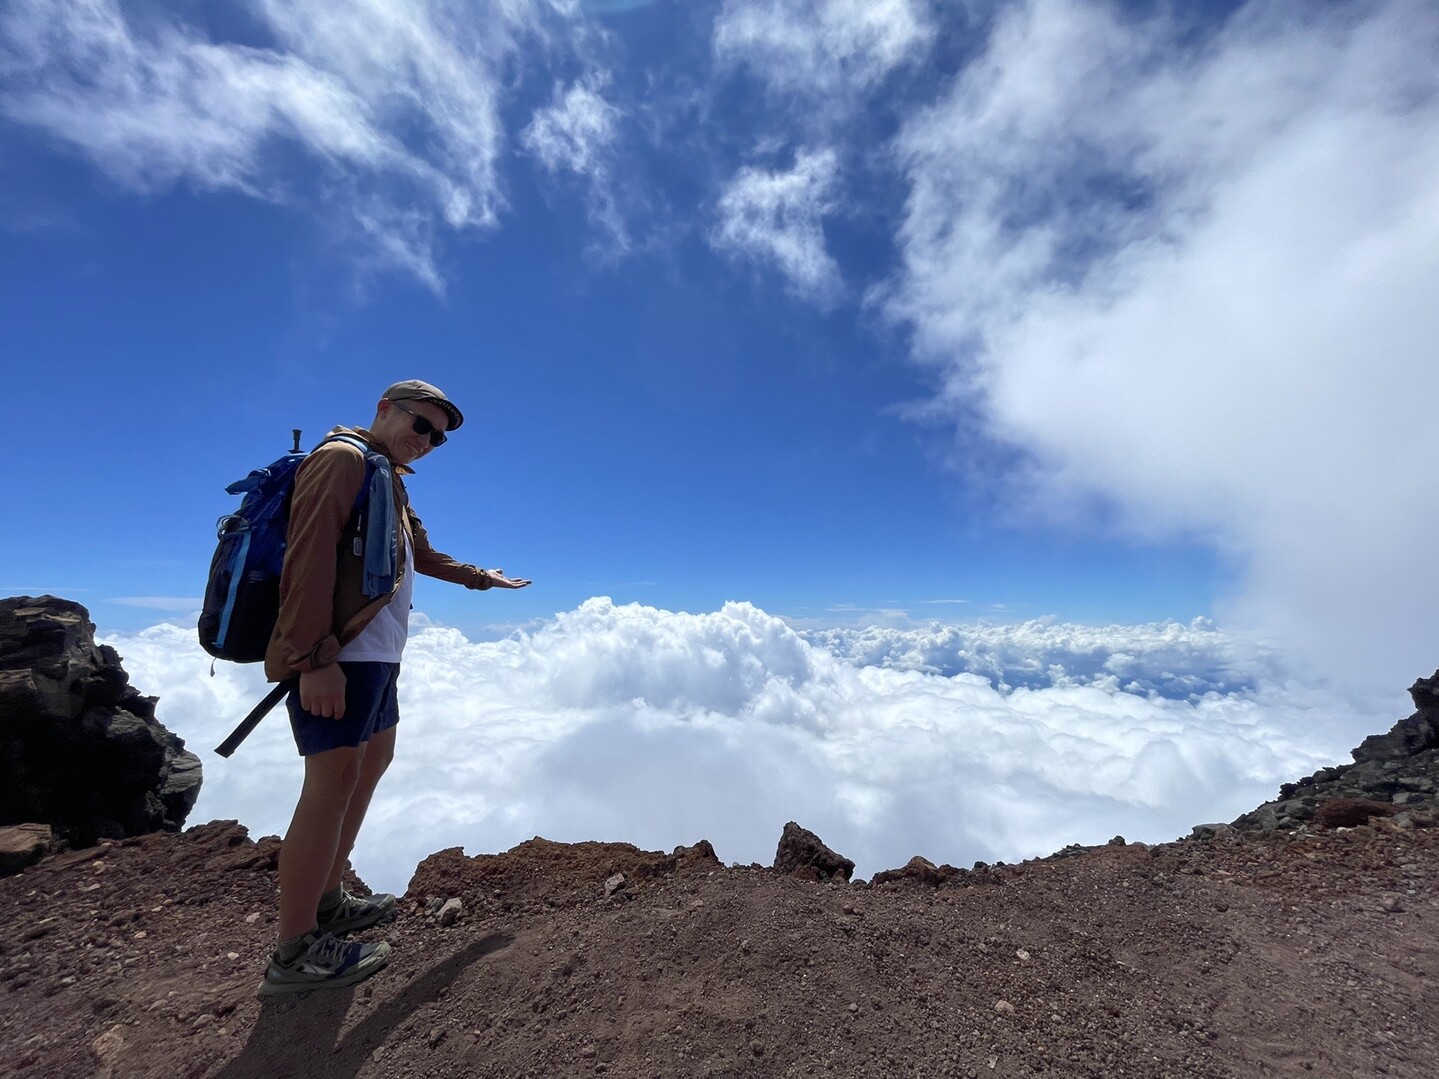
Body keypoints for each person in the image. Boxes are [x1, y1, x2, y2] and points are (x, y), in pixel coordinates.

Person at [257, 379, 529, 996]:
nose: (427, 439)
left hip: (378, 656)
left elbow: (422, 556)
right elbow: (309, 558)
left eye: (438, 435)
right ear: (384, 408)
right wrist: (313, 658)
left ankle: (328, 900)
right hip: (339, 656)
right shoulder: (343, 460)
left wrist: (482, 580)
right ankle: (294, 951)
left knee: (371, 761)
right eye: (420, 423)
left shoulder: (388, 477)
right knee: (330, 784)